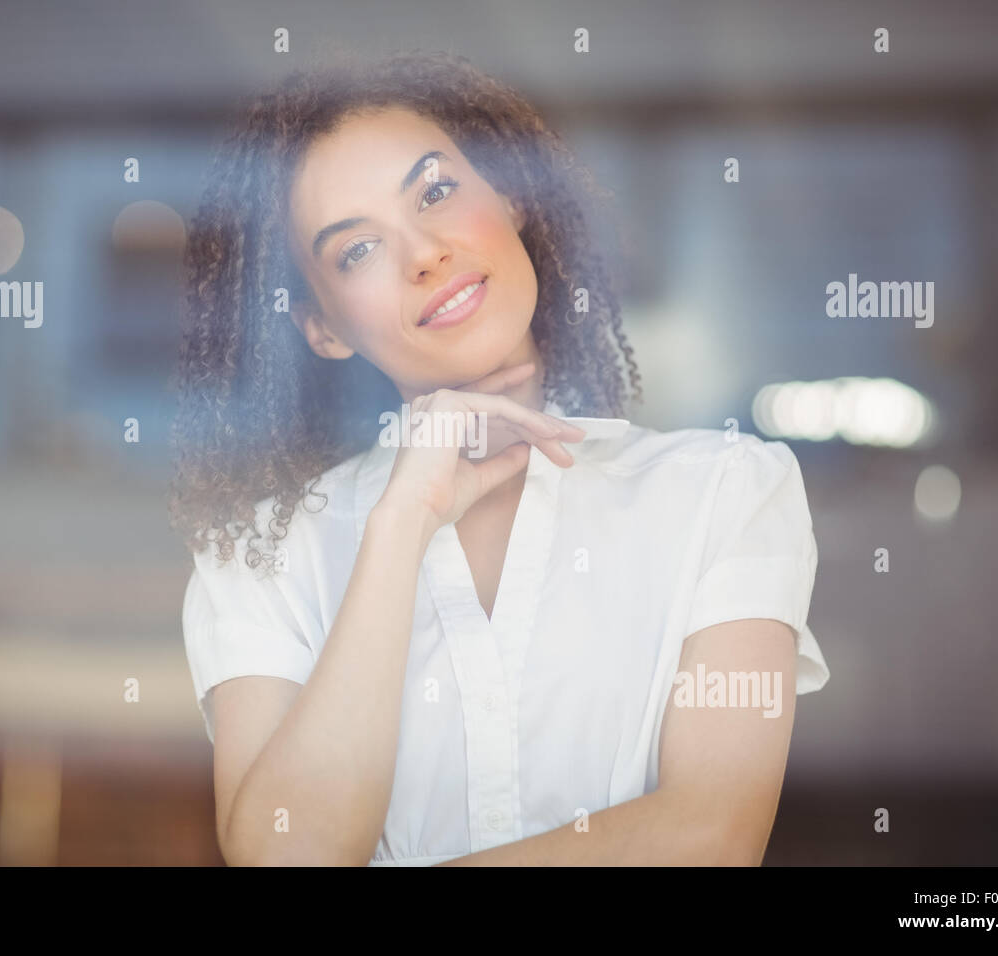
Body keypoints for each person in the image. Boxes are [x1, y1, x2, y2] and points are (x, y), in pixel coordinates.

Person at [170, 51, 829, 866]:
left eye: (436, 192)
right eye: (357, 252)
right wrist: (400, 527)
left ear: (511, 197)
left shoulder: (726, 492)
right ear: (324, 329)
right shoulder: (261, 558)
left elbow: (708, 837)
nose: (423, 253)